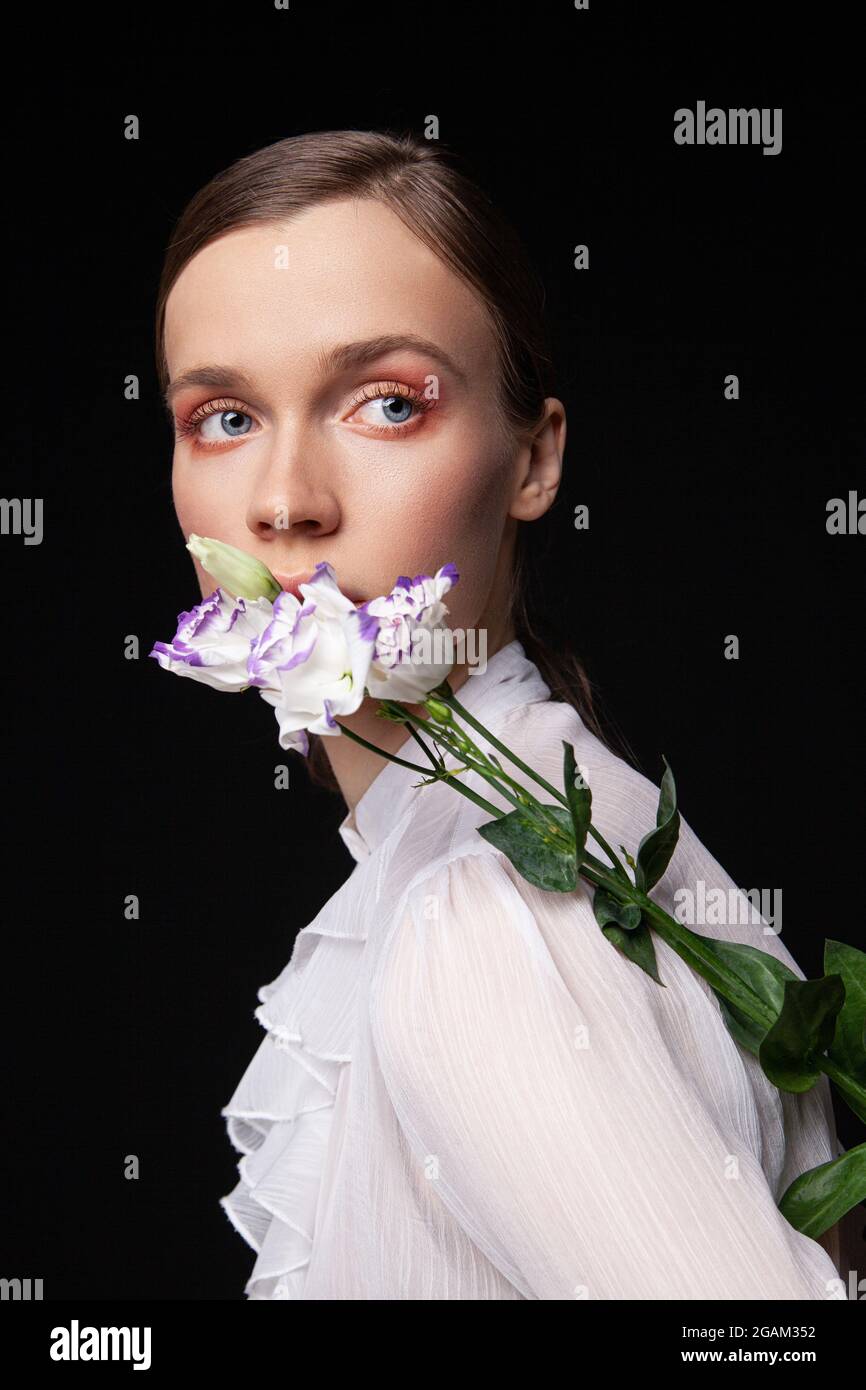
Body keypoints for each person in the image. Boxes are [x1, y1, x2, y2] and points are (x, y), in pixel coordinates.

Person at [154, 129, 859, 1299]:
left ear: (533, 458)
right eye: (223, 417)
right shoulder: (570, 814)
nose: (283, 502)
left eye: (383, 404)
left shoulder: (483, 920)